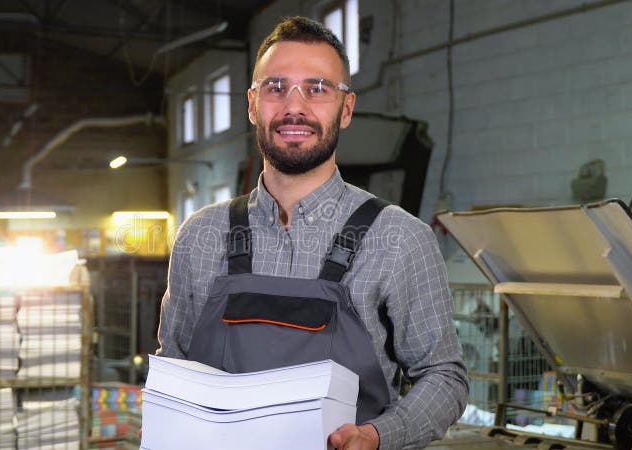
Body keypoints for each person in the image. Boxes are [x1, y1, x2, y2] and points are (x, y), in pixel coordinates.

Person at [157, 16, 468, 450]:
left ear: (347, 108)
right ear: (252, 104)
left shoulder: (399, 239)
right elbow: (175, 370)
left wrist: (377, 436)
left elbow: (443, 376)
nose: (294, 106)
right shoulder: (201, 236)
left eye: (318, 88)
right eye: (276, 87)